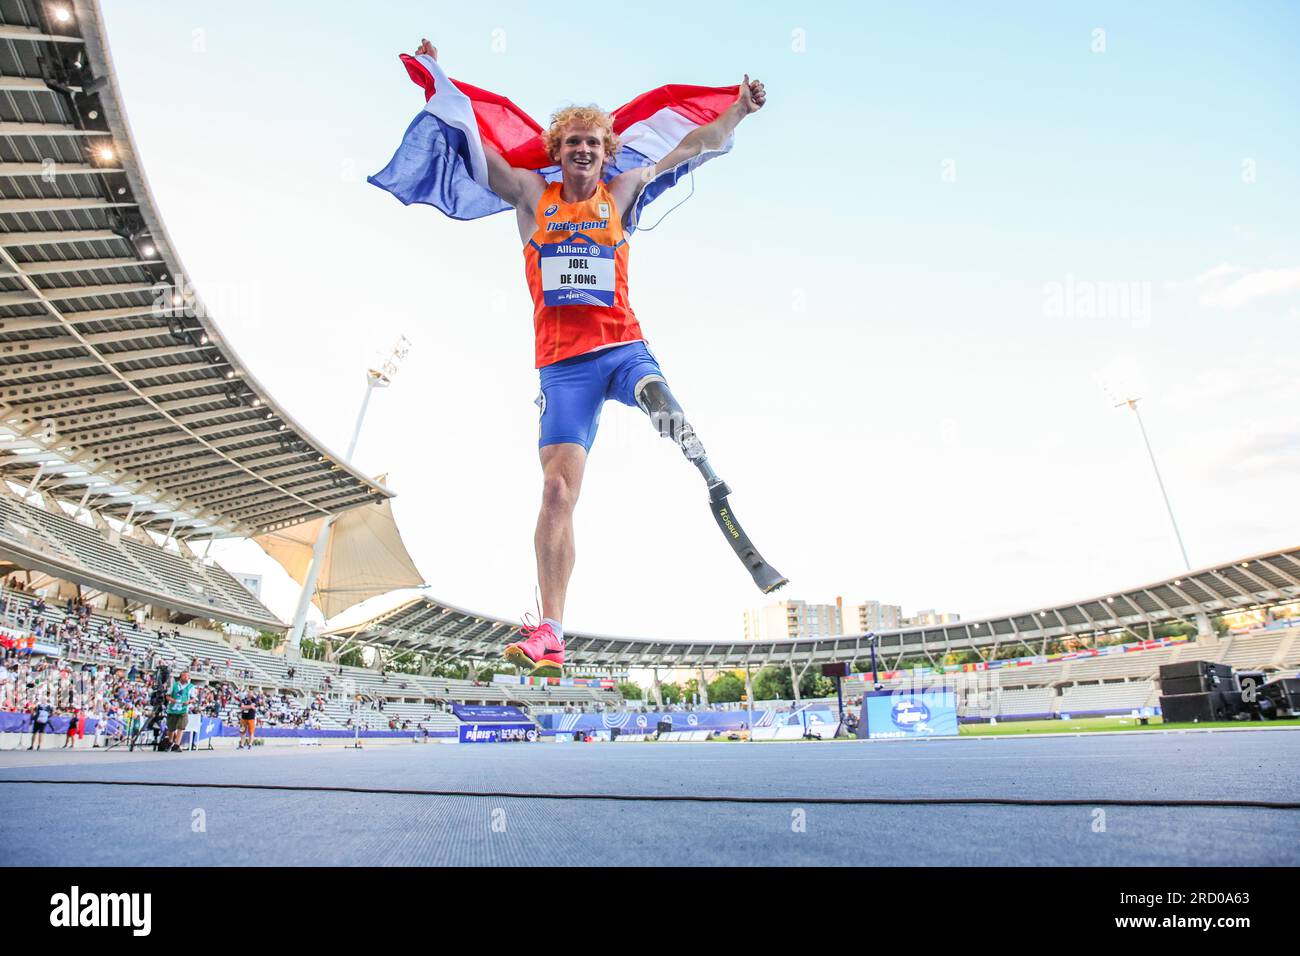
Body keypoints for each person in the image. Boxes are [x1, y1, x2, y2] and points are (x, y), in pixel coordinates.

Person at [405, 39, 767, 678]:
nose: (581, 149)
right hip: (562, 368)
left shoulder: (624, 188)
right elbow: (471, 140)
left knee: (656, 395)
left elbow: (693, 147)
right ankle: (550, 629)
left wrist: (737, 111)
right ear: (557, 149)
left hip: (622, 347)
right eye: (570, 141)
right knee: (554, 492)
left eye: (592, 142)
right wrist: (436, 79)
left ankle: (699, 458)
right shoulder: (527, 195)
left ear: (606, 151)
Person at [164, 668, 195, 752]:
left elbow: (193, 698)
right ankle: (170, 742)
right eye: (184, 676)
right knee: (171, 727)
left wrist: (188, 702)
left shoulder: (191, 687)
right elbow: (167, 696)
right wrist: (172, 700)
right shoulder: (174, 685)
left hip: (183, 709)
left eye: (187, 676)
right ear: (181, 677)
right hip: (173, 709)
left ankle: (177, 744)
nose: (186, 678)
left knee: (181, 726)